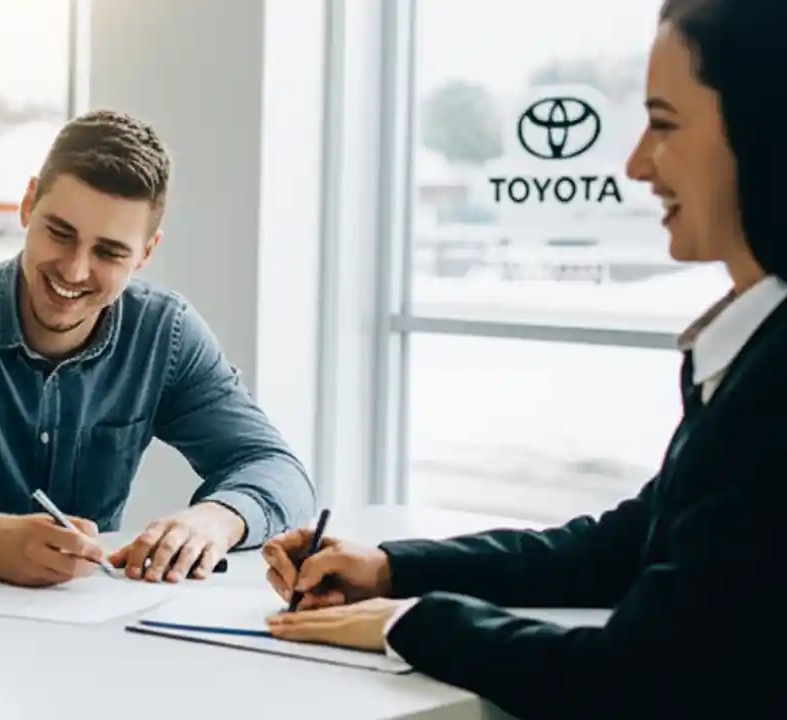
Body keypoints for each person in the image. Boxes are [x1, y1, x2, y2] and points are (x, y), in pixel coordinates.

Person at [261, 0, 787, 717]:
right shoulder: (751, 356)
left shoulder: (771, 389)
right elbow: (622, 547)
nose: (636, 163)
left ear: (764, 127)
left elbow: (645, 672)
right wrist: (392, 570)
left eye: (664, 123)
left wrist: (409, 625)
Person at [0, 110, 316, 587]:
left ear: (145, 254)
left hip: (85, 618)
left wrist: (216, 519)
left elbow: (278, 471)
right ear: (27, 205)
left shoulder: (164, 334)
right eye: (59, 234)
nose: (75, 270)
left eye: (109, 252)